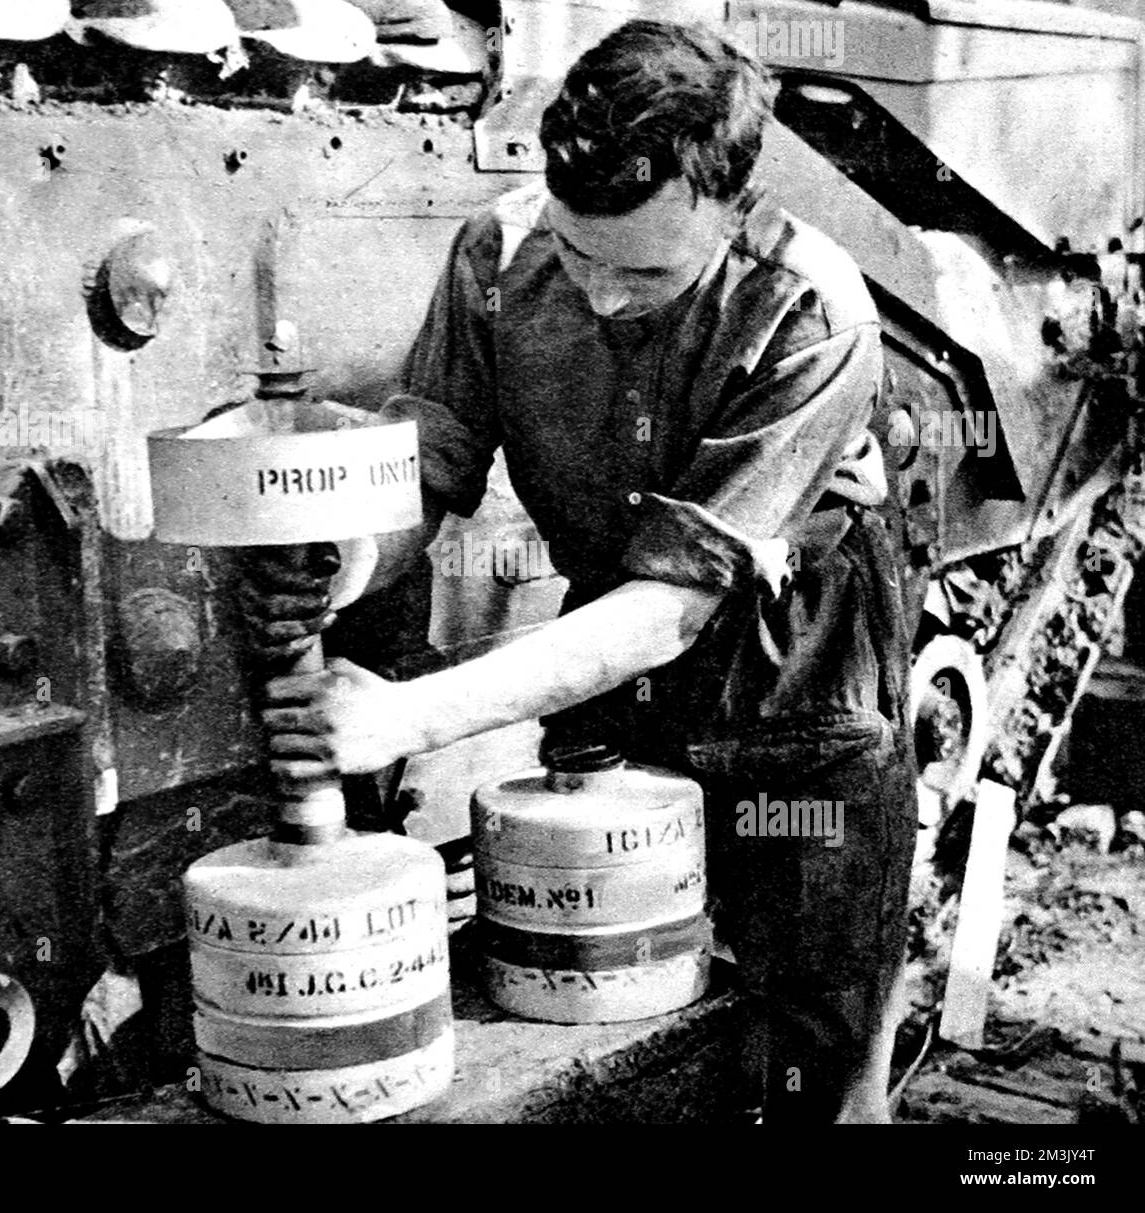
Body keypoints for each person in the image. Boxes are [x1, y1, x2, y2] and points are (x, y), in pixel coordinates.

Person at [247, 18, 918, 1123]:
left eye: (644, 269)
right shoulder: (498, 254)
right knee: (626, 1032)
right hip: (615, 697)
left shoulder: (812, 309)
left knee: (813, 1064)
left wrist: (409, 716)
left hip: (797, 713)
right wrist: (349, 559)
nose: (602, 294)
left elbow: (668, 606)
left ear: (735, 206)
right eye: (577, 251)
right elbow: (432, 465)